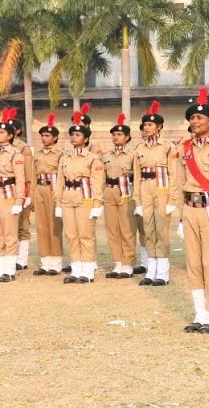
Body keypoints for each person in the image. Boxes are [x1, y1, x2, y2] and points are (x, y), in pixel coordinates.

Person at [172, 88, 209, 331]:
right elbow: (178, 183)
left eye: (200, 118)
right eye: (192, 119)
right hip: (189, 209)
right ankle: (199, 314)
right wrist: (179, 217)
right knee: (193, 265)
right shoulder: (183, 149)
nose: (195, 122)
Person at [56, 111, 105, 284]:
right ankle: (76, 269)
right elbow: (60, 181)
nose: (74, 137)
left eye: (78, 135)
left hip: (85, 199)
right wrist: (58, 203)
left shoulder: (93, 159)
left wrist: (97, 204)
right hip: (68, 199)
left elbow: (97, 182)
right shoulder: (65, 158)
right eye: (72, 135)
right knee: (71, 235)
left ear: (85, 139)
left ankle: (88, 270)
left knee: (85, 235)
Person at [134, 102, 177, 286]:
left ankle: (163, 272)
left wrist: (172, 198)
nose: (146, 127)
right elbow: (136, 176)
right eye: (144, 125)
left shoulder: (168, 147)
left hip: (162, 189)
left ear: (159, 127)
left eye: (150, 125)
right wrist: (137, 201)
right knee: (148, 230)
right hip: (145, 189)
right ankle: (151, 271)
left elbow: (174, 173)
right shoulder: (139, 148)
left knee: (162, 231)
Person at [0, 109, 26, 283]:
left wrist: (19, 200)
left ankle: (9, 270)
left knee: (9, 233)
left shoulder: (16, 154)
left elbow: (20, 178)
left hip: (8, 193)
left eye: (1, 132)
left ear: (10, 136)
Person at [102, 114, 139, 279]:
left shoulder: (133, 155)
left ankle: (128, 263)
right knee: (112, 229)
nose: (115, 137)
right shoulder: (106, 155)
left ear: (127, 137)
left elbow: (137, 176)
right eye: (113, 135)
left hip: (126, 192)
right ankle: (117, 262)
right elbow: (101, 175)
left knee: (127, 228)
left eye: (119, 135)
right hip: (109, 191)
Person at [30, 115, 65, 277]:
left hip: (53, 188)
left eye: (47, 136)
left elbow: (62, 176)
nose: (44, 139)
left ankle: (56, 263)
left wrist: (60, 196)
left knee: (54, 226)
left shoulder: (60, 154)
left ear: (55, 138)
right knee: (41, 226)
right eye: (42, 136)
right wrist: (31, 196)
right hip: (39, 189)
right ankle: (45, 262)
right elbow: (32, 175)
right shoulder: (37, 154)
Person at [10, 116, 35, 271]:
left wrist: (29, 194)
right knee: (8, 226)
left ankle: (22, 259)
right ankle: (10, 258)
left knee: (22, 226)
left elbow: (29, 173)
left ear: (18, 131)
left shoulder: (23, 148)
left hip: (21, 189)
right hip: (5, 190)